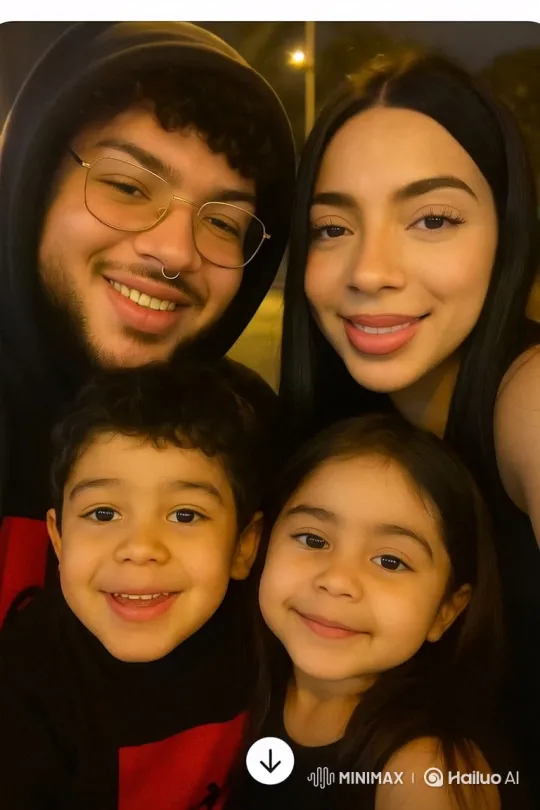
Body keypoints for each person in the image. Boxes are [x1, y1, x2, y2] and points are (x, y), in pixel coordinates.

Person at [278, 52, 540, 801]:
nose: (370, 271)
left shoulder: (527, 399)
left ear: (507, 233)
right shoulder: (347, 432)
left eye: (432, 219)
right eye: (333, 227)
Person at [0, 22, 295, 625]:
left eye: (223, 222)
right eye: (128, 186)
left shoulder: (257, 450)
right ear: (31, 186)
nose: (176, 251)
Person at [0, 359, 277, 810]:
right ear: (58, 539)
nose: (141, 547)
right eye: (103, 513)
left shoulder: (265, 638)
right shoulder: (23, 683)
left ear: (243, 548)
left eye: (185, 515)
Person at [227, 414, 524, 810]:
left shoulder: (427, 774)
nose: (337, 580)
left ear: (446, 611)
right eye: (312, 539)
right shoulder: (235, 682)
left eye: (390, 561)